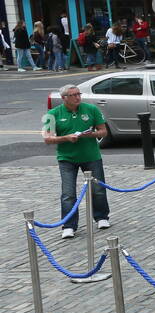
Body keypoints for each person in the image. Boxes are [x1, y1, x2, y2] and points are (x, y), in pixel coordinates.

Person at [42, 84, 111, 239]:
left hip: (91, 156)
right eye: (73, 95)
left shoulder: (91, 109)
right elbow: (47, 138)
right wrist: (66, 138)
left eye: (78, 94)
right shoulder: (53, 114)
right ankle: (68, 225)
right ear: (64, 98)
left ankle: (102, 217)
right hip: (67, 159)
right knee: (68, 194)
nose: (77, 97)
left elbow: (103, 131)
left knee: (98, 189)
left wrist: (89, 135)